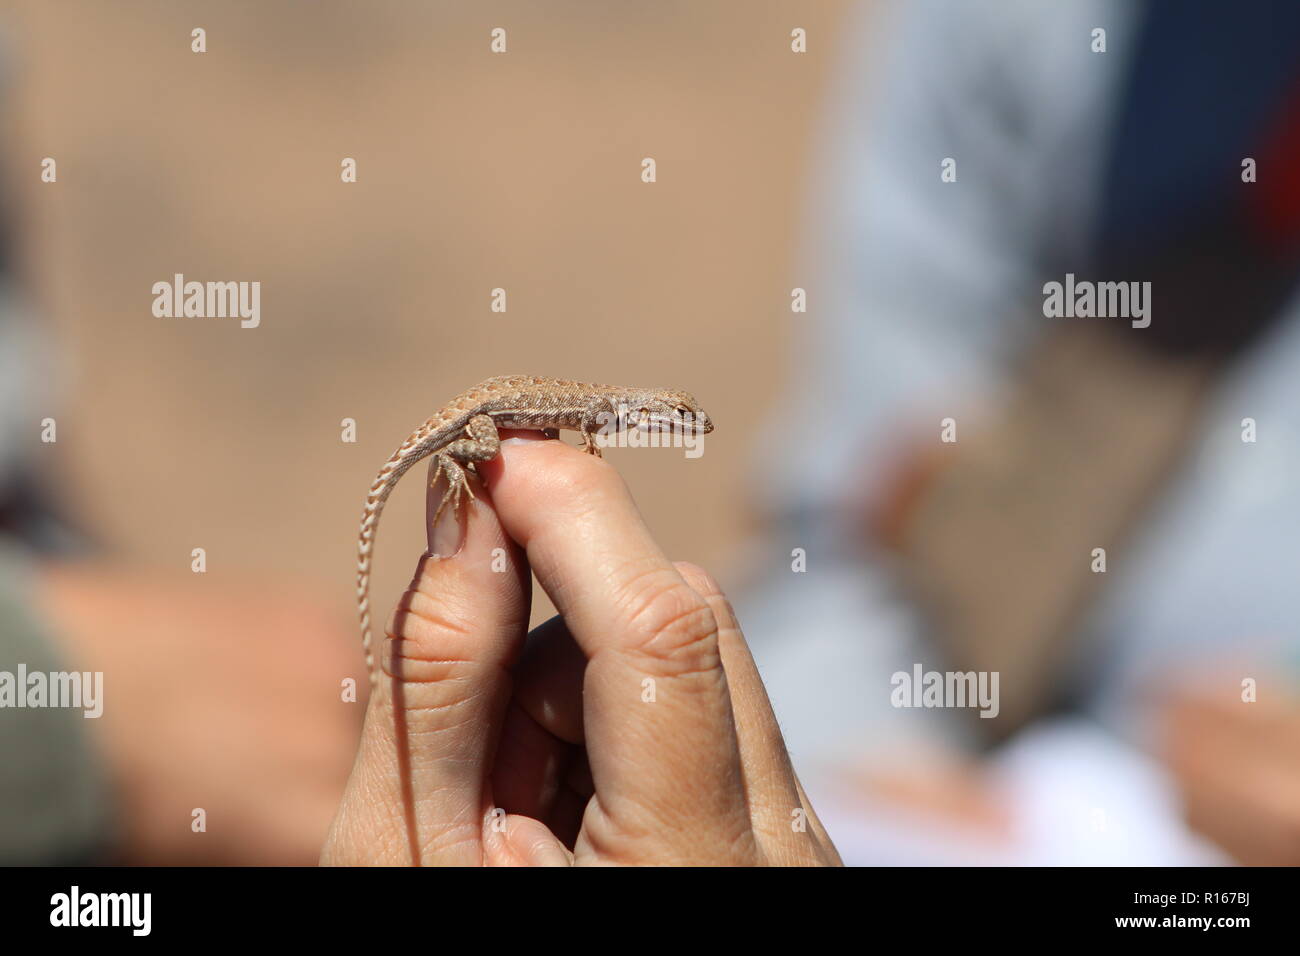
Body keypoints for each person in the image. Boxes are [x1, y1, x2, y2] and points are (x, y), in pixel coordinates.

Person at [322, 431, 841, 865]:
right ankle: (457, 466)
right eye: (680, 420)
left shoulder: (594, 415)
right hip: (472, 419)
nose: (688, 429)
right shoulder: (593, 414)